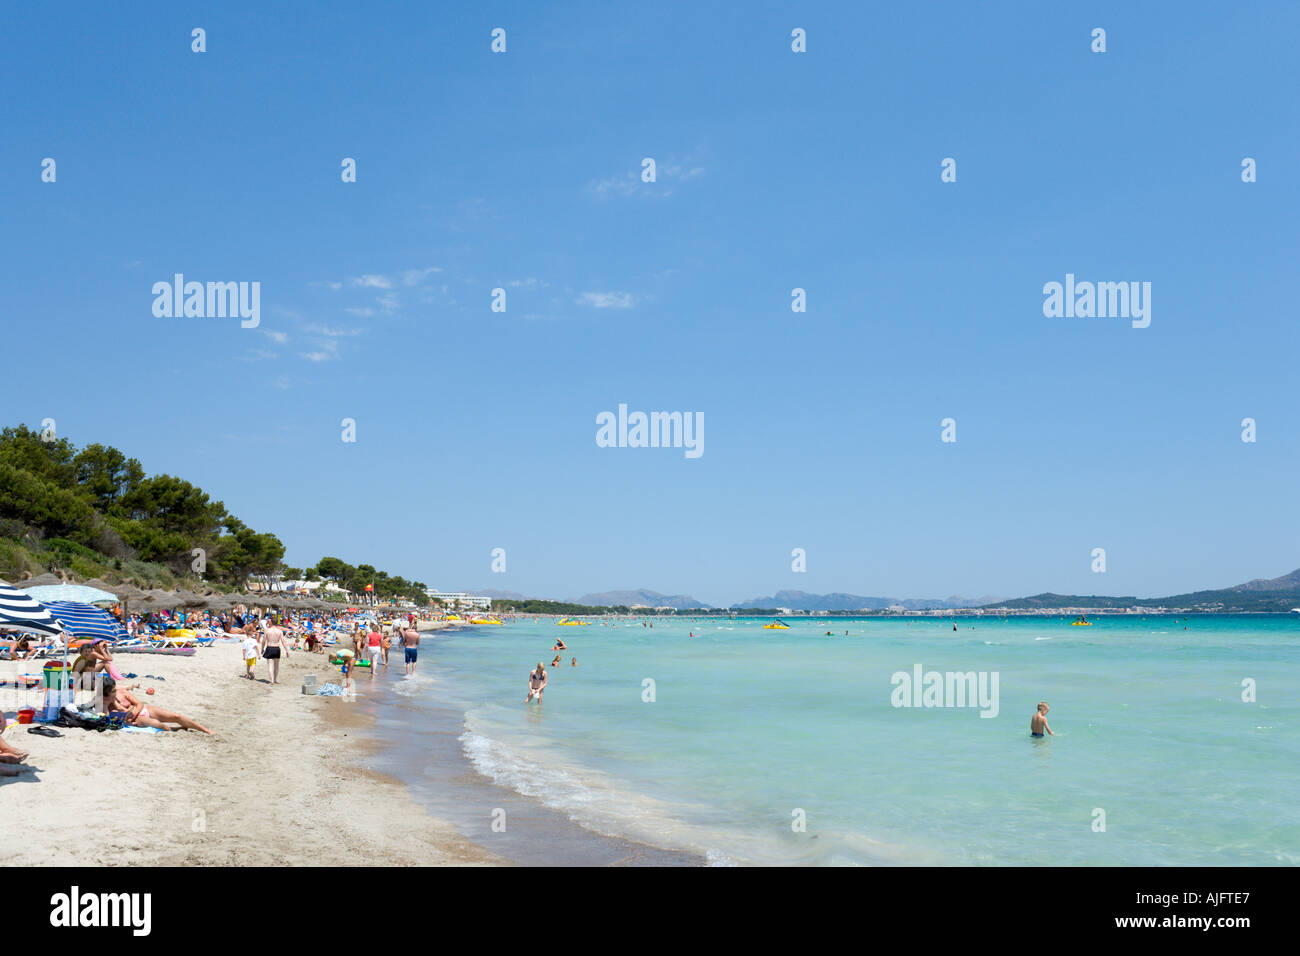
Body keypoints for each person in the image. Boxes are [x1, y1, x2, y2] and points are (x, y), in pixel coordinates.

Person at [103, 677, 212, 734]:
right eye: (113, 689)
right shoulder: (105, 701)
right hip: (136, 719)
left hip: (143, 710)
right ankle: (174, 729)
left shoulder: (122, 692)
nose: (116, 690)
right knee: (158, 724)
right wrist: (127, 718)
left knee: (176, 716)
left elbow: (139, 703)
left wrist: (134, 711)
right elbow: (109, 718)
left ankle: (206, 731)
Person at [261, 619, 289, 685]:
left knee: (270, 665)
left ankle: (271, 680)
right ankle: (275, 679)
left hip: (270, 647)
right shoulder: (279, 631)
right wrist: (287, 650)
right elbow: (283, 641)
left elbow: (263, 641)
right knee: (276, 665)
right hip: (277, 648)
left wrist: (262, 649)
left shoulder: (267, 631)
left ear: (271, 623)